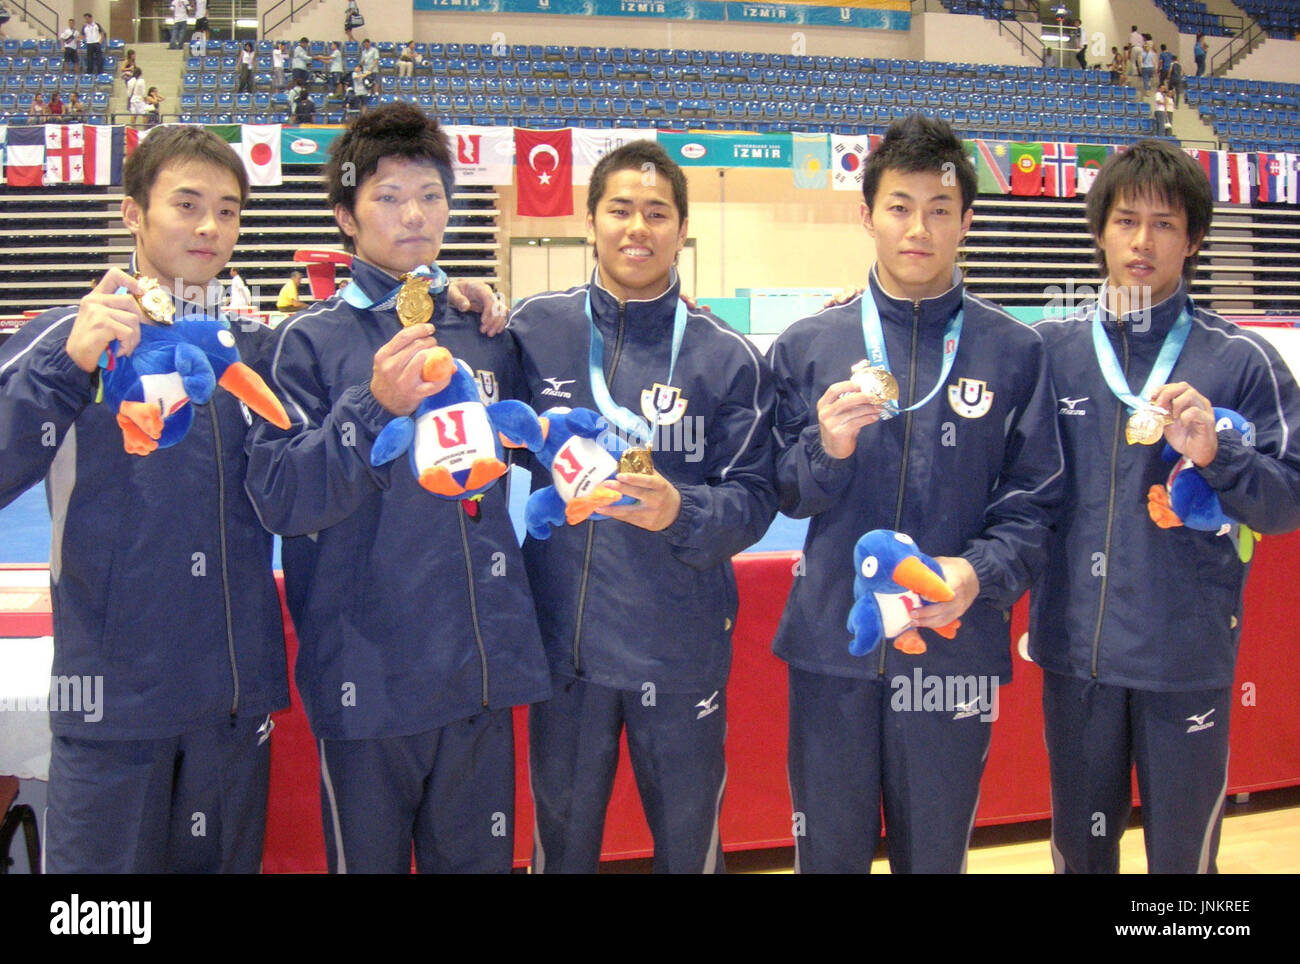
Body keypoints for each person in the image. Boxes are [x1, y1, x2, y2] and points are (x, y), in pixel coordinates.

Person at [245, 103, 547, 874]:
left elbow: (532, 459)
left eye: (431, 194)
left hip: (477, 673)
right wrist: (373, 404)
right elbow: (280, 496)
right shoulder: (305, 344)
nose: (414, 214)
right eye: (387, 196)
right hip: (368, 682)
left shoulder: (485, 331)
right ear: (345, 216)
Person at [766, 114, 1062, 874]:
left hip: (954, 645)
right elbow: (782, 492)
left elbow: (1035, 505)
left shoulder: (1016, 352)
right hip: (835, 646)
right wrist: (824, 452)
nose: (919, 227)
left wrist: (980, 575)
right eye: (900, 206)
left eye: (939, 208)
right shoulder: (808, 345)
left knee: (935, 860)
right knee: (827, 858)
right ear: (867, 215)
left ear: (968, 219)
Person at [0, 125, 289, 873]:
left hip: (231, 705)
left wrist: (449, 292)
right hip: (113, 708)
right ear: (133, 213)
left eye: (227, 211)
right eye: (187, 204)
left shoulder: (250, 350)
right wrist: (67, 371)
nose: (208, 227)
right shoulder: (68, 336)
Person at [1030, 138, 1300, 874]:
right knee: (1080, 856)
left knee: (1183, 866)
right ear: (1099, 232)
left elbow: (1286, 506)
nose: (1142, 241)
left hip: (1185, 659)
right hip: (1076, 660)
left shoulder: (1242, 361)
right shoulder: (1049, 352)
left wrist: (1220, 454)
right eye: (1125, 220)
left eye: (1165, 224)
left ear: (1196, 240)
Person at [509, 140, 779, 874]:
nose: (638, 228)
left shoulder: (727, 358)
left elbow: (754, 498)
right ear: (589, 220)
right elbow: (487, 436)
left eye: (657, 213)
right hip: (564, 650)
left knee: (689, 854)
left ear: (682, 227)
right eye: (620, 209)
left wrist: (681, 513)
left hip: (681, 649)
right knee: (560, 851)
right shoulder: (534, 331)